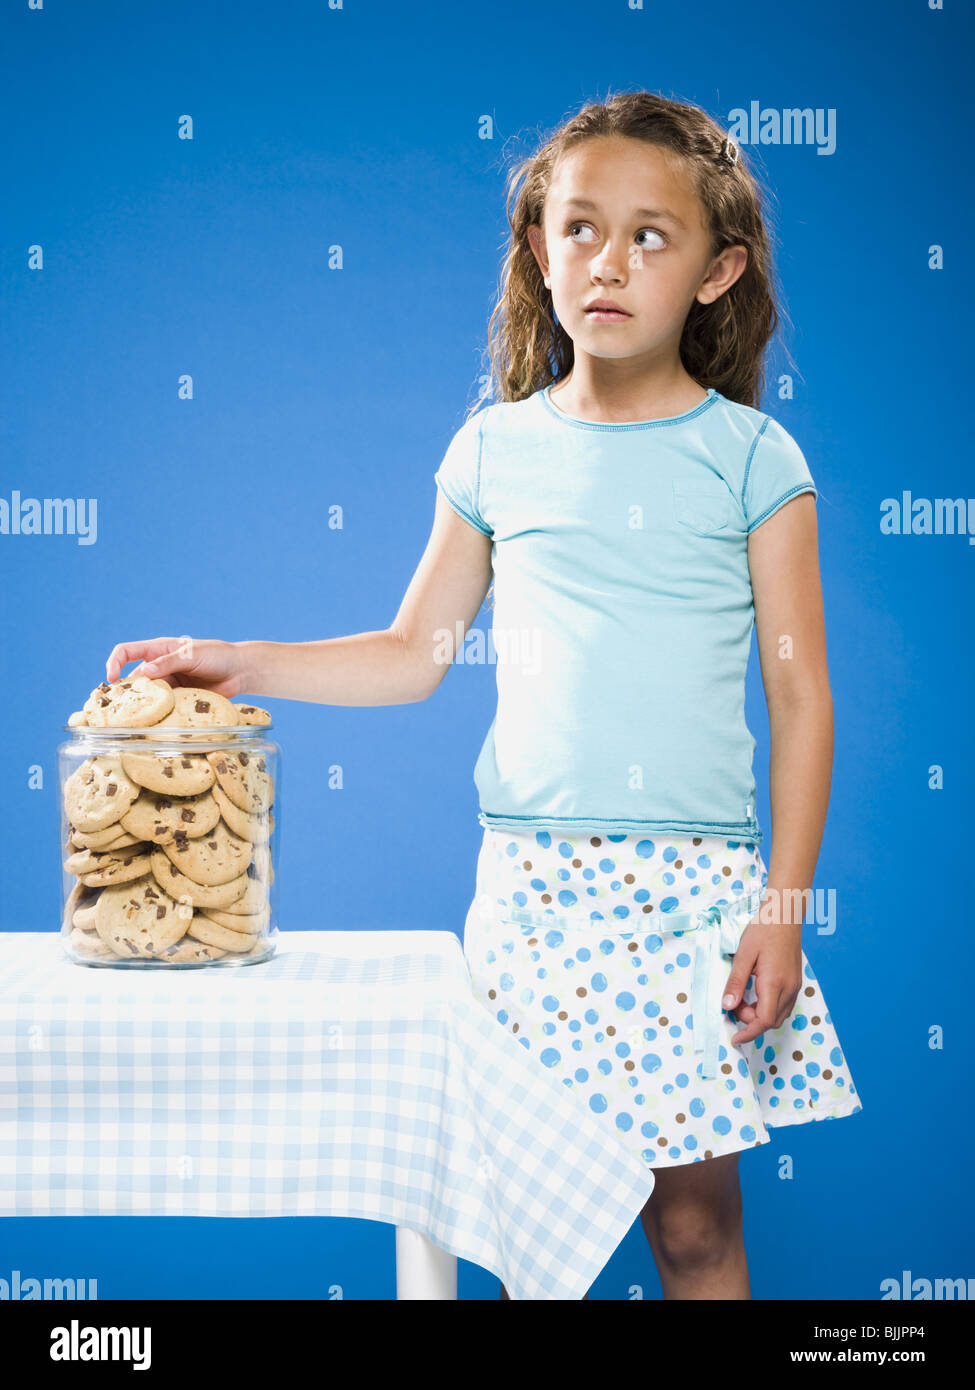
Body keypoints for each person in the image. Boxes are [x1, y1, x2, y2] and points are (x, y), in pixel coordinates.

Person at [105, 90, 862, 1301]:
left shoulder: (753, 460)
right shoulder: (493, 450)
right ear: (537, 249)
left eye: (649, 237)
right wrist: (240, 658)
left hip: (693, 891)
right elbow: (414, 651)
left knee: (696, 1232)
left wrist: (782, 906)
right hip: (532, 893)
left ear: (717, 273)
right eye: (578, 229)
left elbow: (802, 698)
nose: (607, 262)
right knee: (530, 1240)